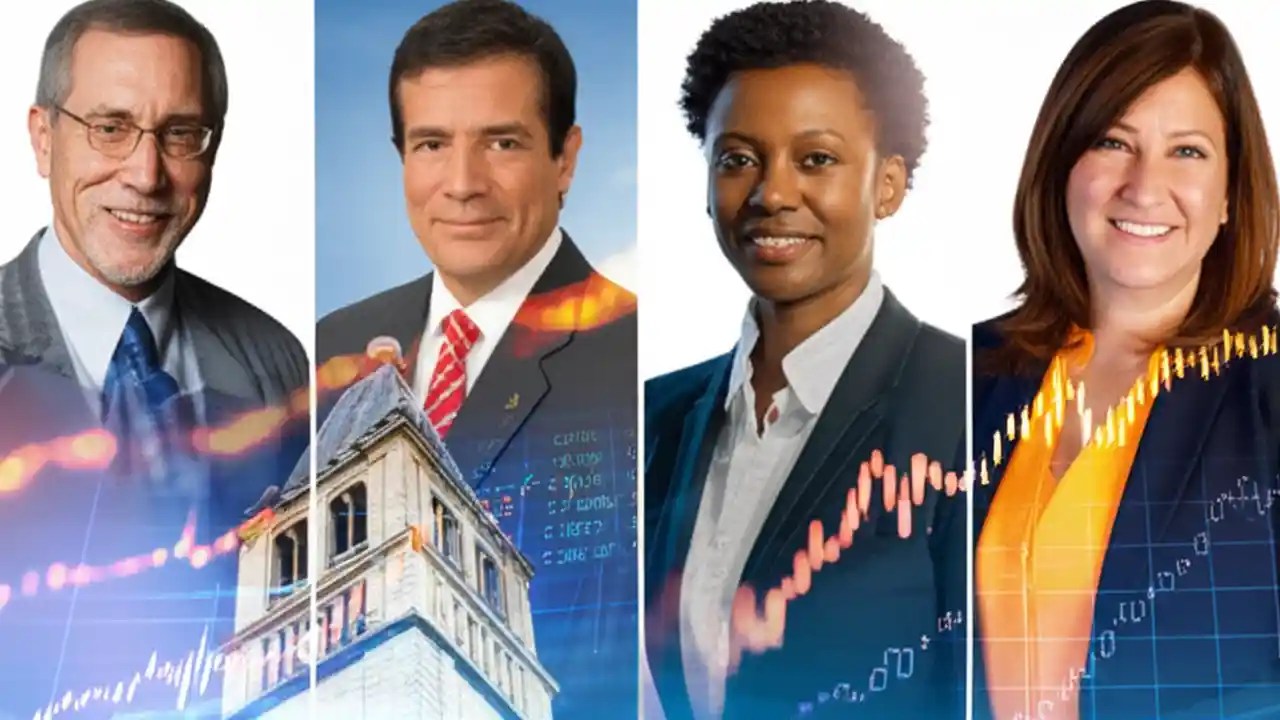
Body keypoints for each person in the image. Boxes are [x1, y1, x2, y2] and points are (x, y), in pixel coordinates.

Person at [313, 1, 638, 717]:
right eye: (431, 144)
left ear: (566, 159)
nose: (461, 183)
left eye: (502, 143)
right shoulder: (328, 344)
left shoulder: (636, 356)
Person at [643, 2, 966, 718]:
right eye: (737, 159)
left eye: (815, 159)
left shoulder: (969, 406)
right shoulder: (650, 420)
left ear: (888, 184)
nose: (771, 194)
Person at [0, 0, 308, 718]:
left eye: (179, 135)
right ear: (43, 138)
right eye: (110, 129)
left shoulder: (279, 366)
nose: (145, 174)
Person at [971, 2, 1280, 719]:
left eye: (1188, 151)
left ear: (1231, 191)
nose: (1143, 186)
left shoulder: (1267, 379)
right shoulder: (974, 370)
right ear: (1062, 164)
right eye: (1113, 142)